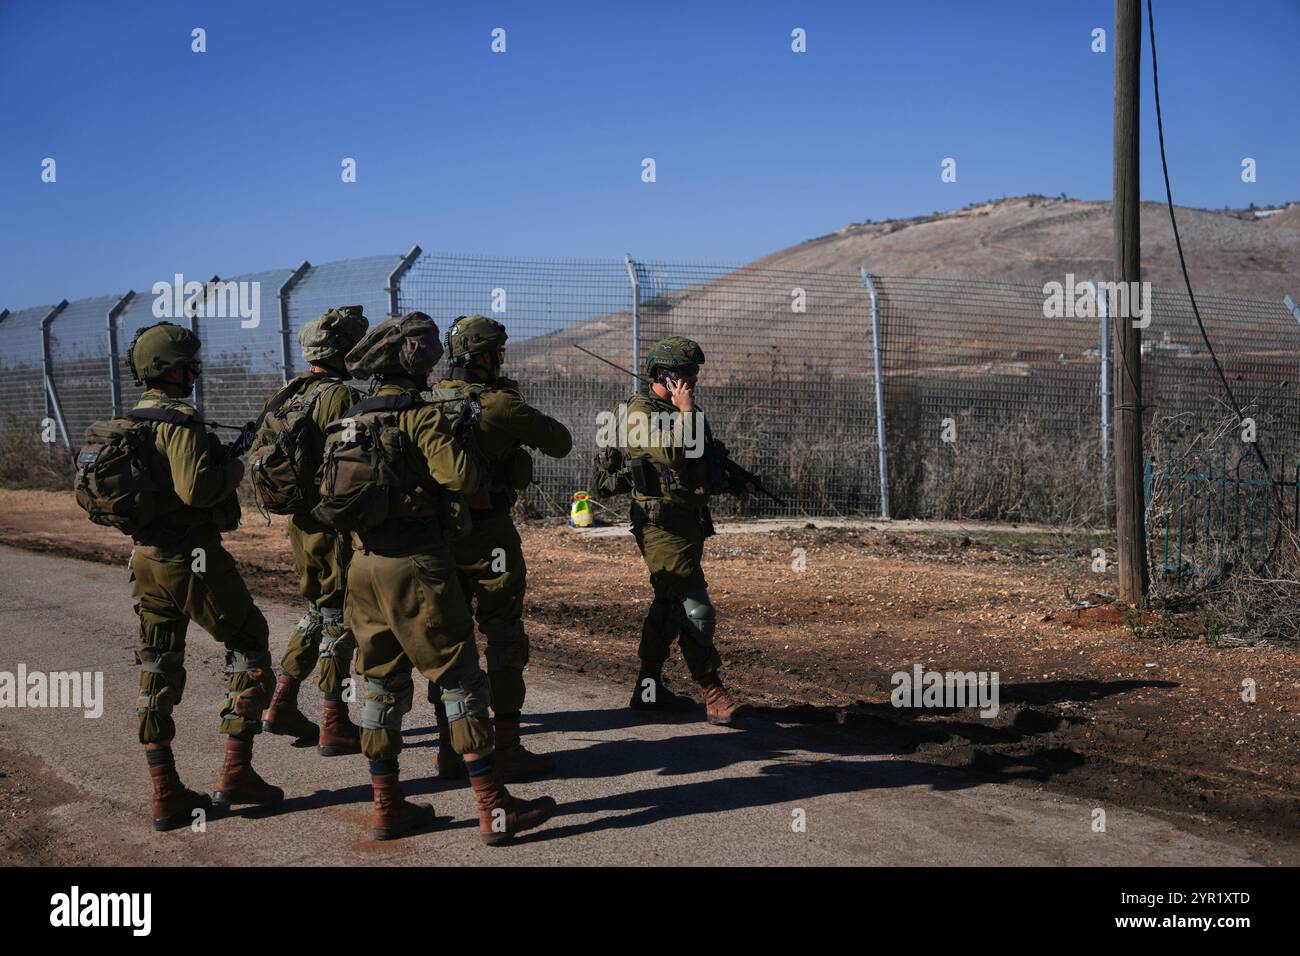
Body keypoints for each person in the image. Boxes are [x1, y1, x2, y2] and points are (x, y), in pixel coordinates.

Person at [325, 312, 557, 843]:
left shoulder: (351, 417)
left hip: (363, 568)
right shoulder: (418, 414)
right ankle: (493, 807)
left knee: (380, 683)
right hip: (417, 565)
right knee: (460, 678)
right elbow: (463, 478)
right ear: (414, 361)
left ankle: (388, 806)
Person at [121, 321, 282, 830]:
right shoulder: (181, 418)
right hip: (191, 557)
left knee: (157, 663)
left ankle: (164, 790)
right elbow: (197, 490)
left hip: (146, 559)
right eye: (189, 364)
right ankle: (237, 771)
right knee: (250, 643)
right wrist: (239, 464)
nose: (195, 371)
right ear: (172, 368)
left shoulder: (135, 418)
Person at [425, 315, 572, 783]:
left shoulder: (424, 402)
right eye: (497, 353)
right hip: (489, 538)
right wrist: (511, 405)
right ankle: (506, 748)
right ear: (483, 357)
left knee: (448, 642)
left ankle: (451, 749)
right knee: (504, 638)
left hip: (434, 539)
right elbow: (560, 442)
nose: (500, 359)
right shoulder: (498, 404)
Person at [623, 336, 749, 725]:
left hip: (689, 521)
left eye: (694, 374)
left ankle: (647, 689)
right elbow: (673, 454)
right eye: (685, 374)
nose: (693, 380)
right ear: (663, 375)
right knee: (697, 608)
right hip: (659, 524)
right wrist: (686, 409)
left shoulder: (682, 410)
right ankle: (712, 691)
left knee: (670, 603)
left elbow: (698, 464)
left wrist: (733, 480)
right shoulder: (639, 413)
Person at [260, 306, 369, 756]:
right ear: (343, 351)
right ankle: (334, 721)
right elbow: (353, 467)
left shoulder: (286, 393)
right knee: (338, 623)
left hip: (301, 524)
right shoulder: (339, 398)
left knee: (317, 613)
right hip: (333, 525)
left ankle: (281, 704)